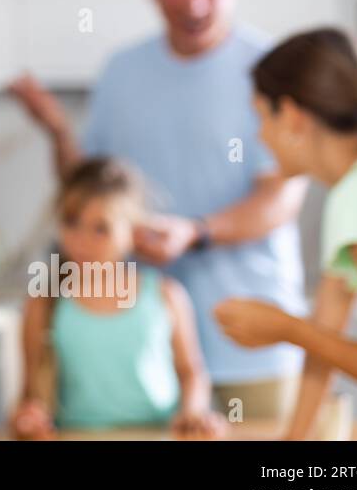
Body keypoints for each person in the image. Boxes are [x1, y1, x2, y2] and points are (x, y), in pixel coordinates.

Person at [8, 0, 309, 423]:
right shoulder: (122, 72)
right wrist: (59, 131)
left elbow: (282, 196)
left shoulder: (270, 71)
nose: (194, 3)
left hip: (251, 337)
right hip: (144, 347)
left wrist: (196, 232)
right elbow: (87, 186)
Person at [216, 28, 357, 438]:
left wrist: (286, 328)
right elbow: (327, 329)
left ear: (294, 116)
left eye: (263, 116)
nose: (259, 135)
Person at [13, 157, 225, 439]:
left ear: (133, 233)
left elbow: (192, 373)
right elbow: (30, 394)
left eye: (101, 228)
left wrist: (193, 413)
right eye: (71, 222)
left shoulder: (166, 295)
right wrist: (28, 419)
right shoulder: (43, 304)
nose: (82, 240)